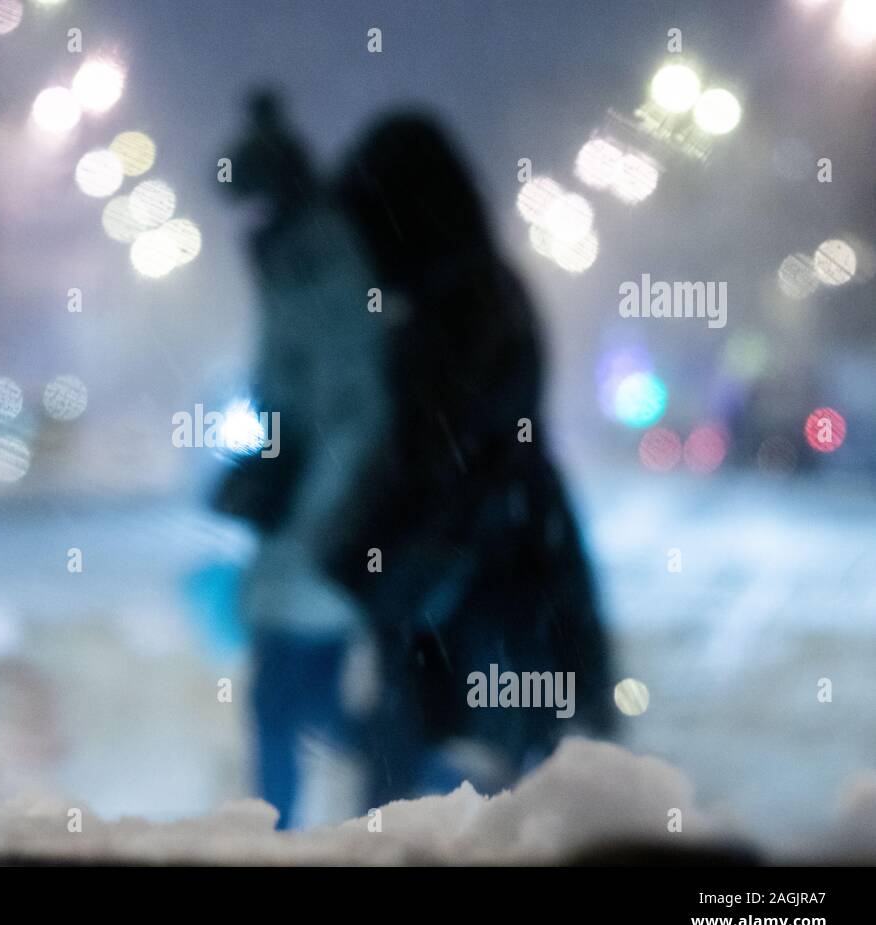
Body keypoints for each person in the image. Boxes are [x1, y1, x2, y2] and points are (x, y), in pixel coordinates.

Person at [325, 114, 617, 803]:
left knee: (440, 799)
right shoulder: (481, 292)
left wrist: (370, 561)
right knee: (487, 788)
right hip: (500, 568)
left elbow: (440, 459)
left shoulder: (457, 308)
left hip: (472, 580)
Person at [212, 93, 391, 828]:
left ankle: (279, 836)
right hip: (310, 527)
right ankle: (283, 831)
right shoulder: (303, 260)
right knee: (293, 705)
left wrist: (306, 514)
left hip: (321, 530)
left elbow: (347, 411)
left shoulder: (320, 264)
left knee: (291, 704)